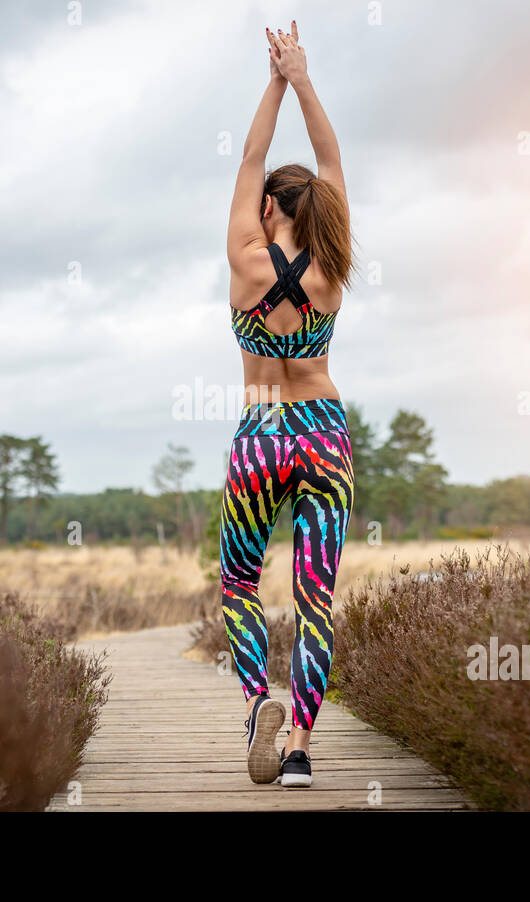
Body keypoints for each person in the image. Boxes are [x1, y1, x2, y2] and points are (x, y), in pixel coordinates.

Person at [221, 21, 355, 788]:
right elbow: (331, 161)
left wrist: (271, 78)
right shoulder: (331, 269)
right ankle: (299, 749)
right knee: (315, 596)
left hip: (262, 431)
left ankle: (254, 704)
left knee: (241, 582)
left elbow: (248, 159)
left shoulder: (245, 261)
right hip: (323, 430)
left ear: (270, 209)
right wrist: (303, 75)